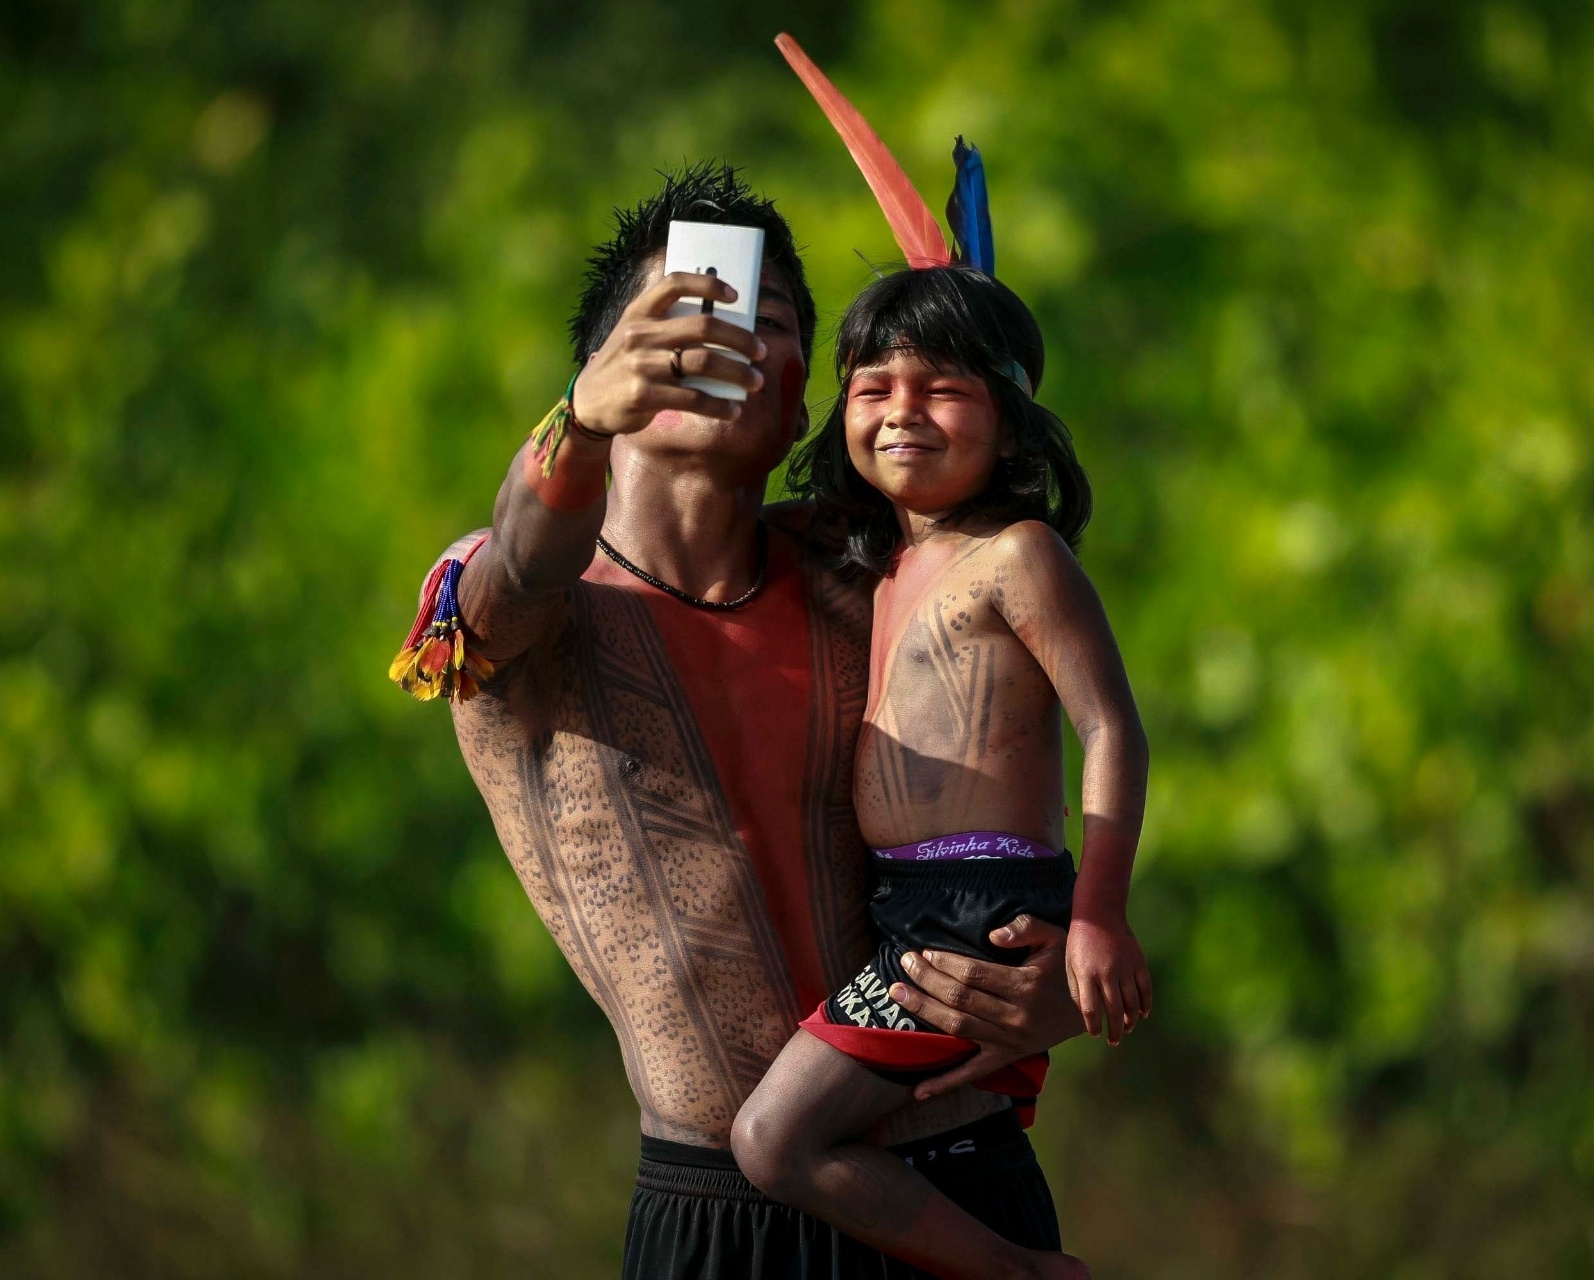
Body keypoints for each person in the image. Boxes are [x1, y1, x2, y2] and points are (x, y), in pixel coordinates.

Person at [390, 163, 1082, 1279]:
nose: (714, 348)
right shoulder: (509, 608)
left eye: (761, 324)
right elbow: (518, 562)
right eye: (677, 320)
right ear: (604, 366)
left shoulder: (884, 578)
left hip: (964, 1182)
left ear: (807, 391)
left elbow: (1036, 771)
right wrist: (576, 423)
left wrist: (1057, 968)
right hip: (720, 1220)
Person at [728, 262, 1151, 1280]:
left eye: (945, 388)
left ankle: (1019, 1271)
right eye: (875, 389)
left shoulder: (1019, 554)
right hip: (909, 901)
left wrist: (1096, 913)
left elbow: (1114, 731)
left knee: (772, 1140)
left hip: (981, 909)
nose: (903, 413)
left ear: (1010, 424)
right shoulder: (869, 561)